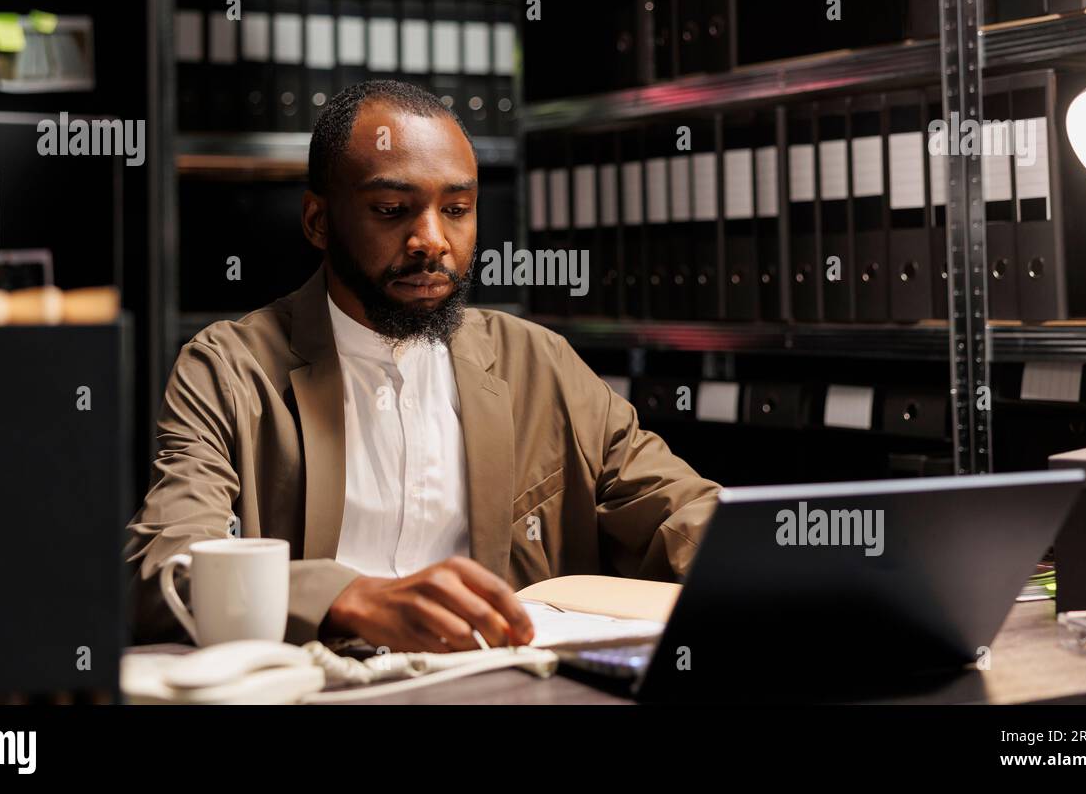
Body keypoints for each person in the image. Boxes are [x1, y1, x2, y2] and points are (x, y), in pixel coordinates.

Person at [125, 79, 720, 651]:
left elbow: (680, 511)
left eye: (457, 209)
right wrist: (346, 599)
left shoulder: (538, 362)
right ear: (318, 221)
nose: (432, 240)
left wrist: (781, 558)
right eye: (391, 209)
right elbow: (162, 570)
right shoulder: (230, 368)